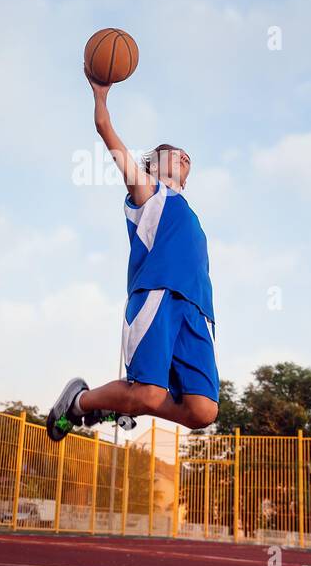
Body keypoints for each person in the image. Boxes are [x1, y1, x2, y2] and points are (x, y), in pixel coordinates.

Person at [47, 68, 219, 440]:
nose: (184, 154)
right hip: (158, 297)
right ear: (152, 167)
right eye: (173, 153)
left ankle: (122, 401)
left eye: (187, 156)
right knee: (148, 392)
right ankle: (80, 404)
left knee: (202, 409)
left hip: (197, 310)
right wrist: (101, 97)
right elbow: (107, 133)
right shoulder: (150, 195)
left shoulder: (189, 215)